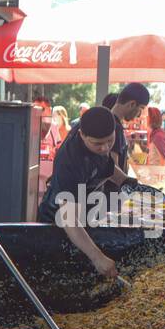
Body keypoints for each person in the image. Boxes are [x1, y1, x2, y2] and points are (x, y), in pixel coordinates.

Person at [37, 106, 128, 278]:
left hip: (84, 217)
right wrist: (97, 257)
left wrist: (129, 184)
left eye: (109, 140)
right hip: (56, 223)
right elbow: (69, 220)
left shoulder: (101, 145)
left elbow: (108, 165)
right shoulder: (69, 160)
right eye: (98, 144)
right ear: (82, 135)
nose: (105, 148)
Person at [102, 82, 147, 174]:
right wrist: (127, 183)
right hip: (110, 188)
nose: (139, 115)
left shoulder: (109, 123)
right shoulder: (115, 127)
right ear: (132, 104)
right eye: (141, 109)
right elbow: (112, 167)